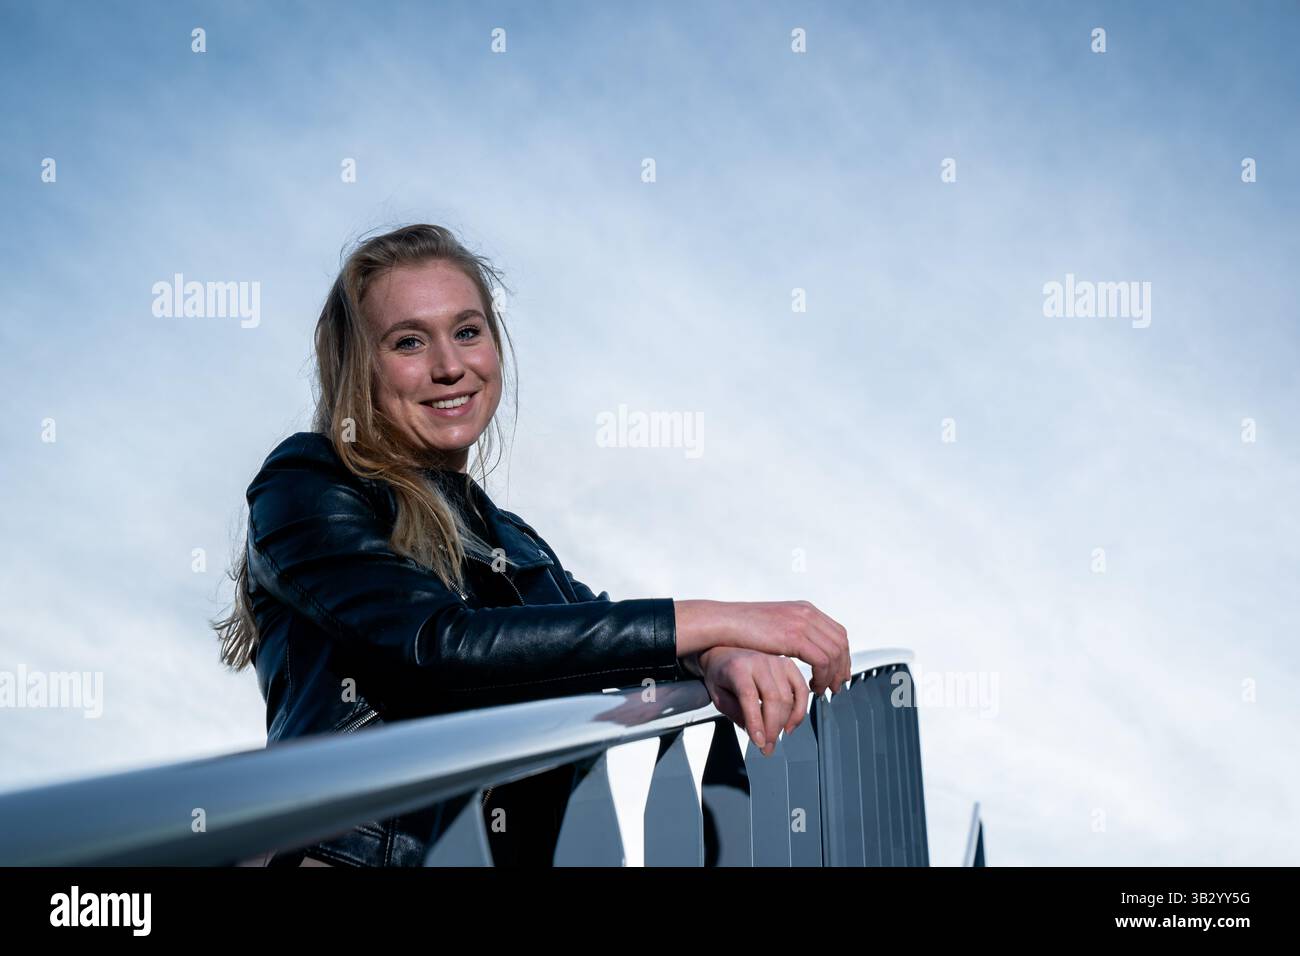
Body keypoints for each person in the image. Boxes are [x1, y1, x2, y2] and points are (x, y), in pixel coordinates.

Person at [213, 223, 851, 866]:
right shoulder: (308, 481)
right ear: (358, 367)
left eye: (468, 331)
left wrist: (713, 655)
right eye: (409, 341)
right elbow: (439, 646)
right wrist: (723, 618)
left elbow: (593, 640)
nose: (450, 366)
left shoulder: (511, 539)